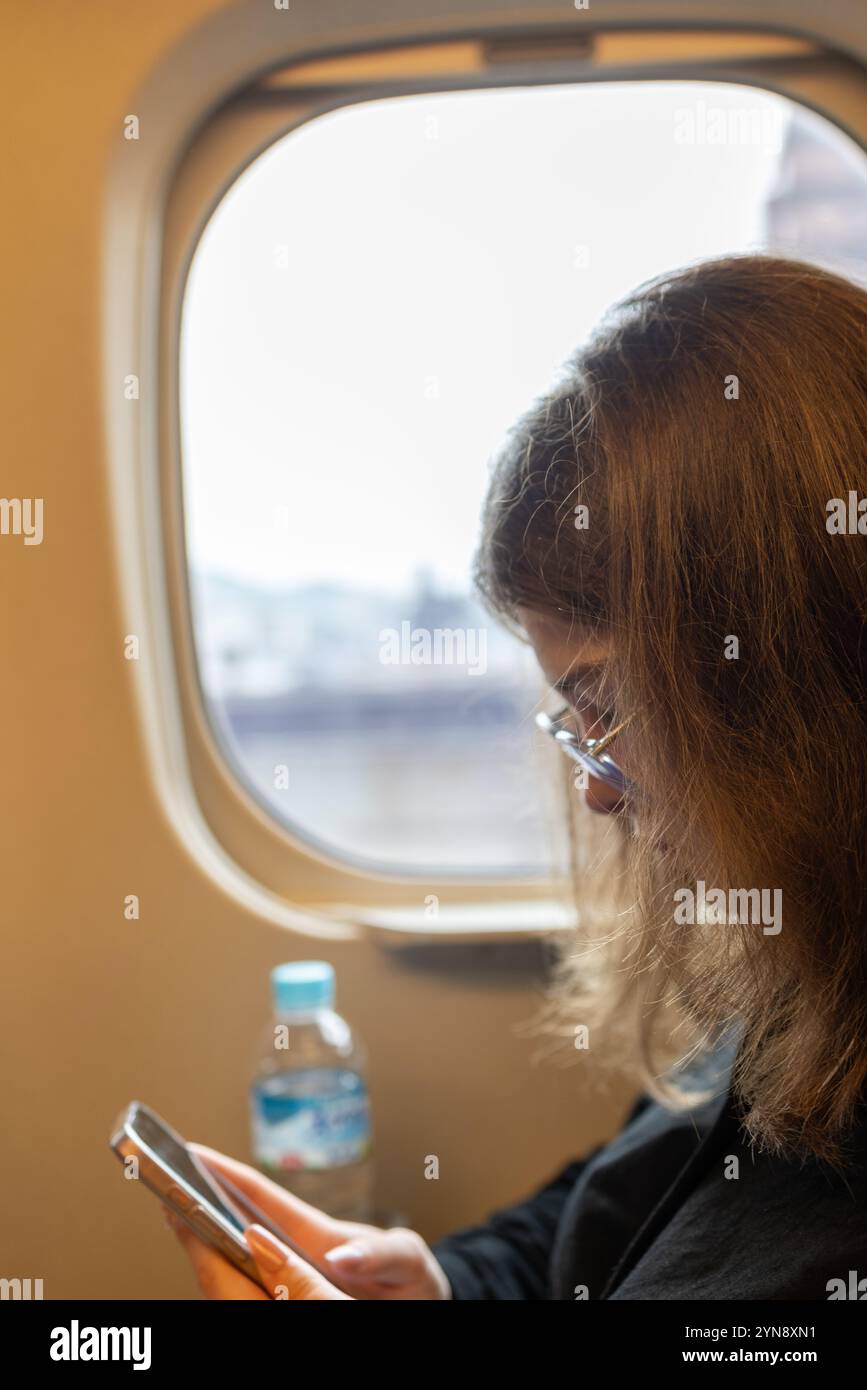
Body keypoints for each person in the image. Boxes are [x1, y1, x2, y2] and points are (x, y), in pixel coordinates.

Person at [167, 254, 867, 1299]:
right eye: (573, 718)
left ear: (773, 674)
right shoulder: (806, 955)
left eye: (608, 703)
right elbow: (630, 1193)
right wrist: (447, 1282)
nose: (597, 788)